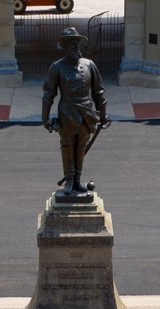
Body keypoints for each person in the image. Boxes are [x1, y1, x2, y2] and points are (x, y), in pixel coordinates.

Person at [42, 27, 110, 195]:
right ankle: (69, 180)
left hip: (87, 113)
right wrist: (45, 118)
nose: (75, 47)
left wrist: (102, 114)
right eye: (71, 44)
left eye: (76, 43)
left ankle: (78, 181)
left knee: (81, 147)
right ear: (64, 47)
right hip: (67, 113)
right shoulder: (56, 67)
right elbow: (49, 94)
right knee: (67, 146)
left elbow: (98, 92)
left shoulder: (90, 65)